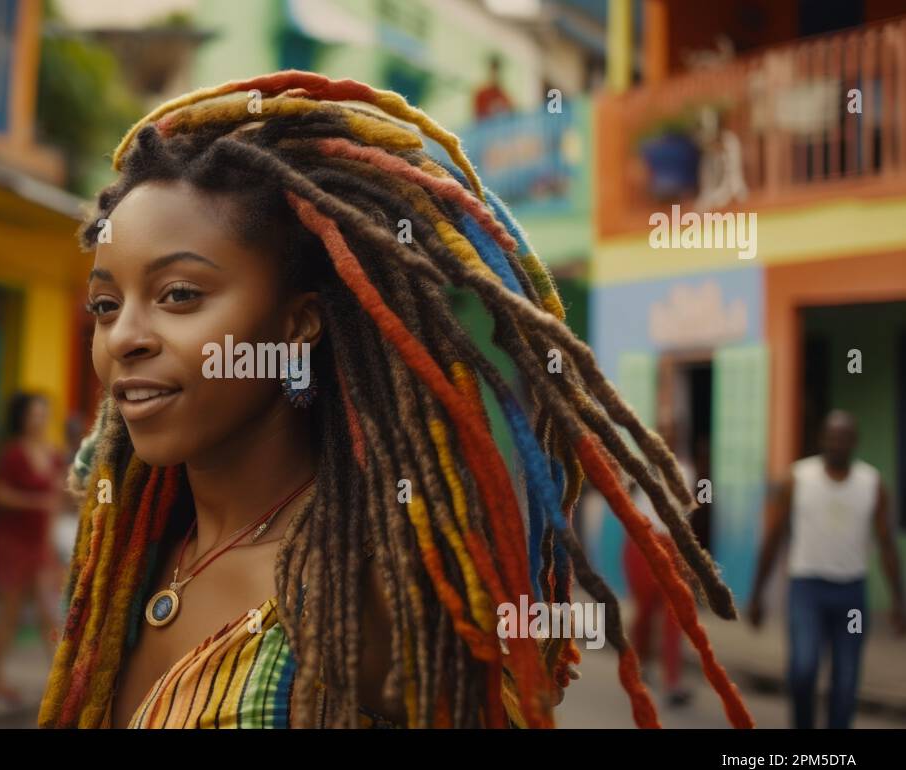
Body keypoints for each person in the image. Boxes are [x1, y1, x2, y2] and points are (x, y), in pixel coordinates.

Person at [38, 70, 751, 729]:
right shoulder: (125, 558)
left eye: (179, 296)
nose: (124, 337)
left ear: (297, 324)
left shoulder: (369, 594)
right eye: (105, 305)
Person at [747, 410, 906, 729]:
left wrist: (898, 600)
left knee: (846, 682)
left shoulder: (871, 484)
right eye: (832, 436)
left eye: (844, 437)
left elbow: (887, 543)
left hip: (851, 594)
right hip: (807, 590)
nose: (838, 443)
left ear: (854, 441)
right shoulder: (798, 478)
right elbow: (774, 536)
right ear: (822, 439)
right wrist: (757, 594)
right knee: (803, 669)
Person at [0, 392, 65, 705]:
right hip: (12, 543)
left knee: (50, 614)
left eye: (43, 414)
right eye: (34, 414)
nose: (39, 420)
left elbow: (57, 499)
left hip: (40, 545)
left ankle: (60, 683)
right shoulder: (13, 454)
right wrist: (35, 502)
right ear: (22, 418)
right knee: (10, 615)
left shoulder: (53, 453)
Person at [622, 414, 693, 707]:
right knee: (645, 613)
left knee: (675, 615)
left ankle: (672, 683)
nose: (665, 437)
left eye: (671, 432)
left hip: (672, 547)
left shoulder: (686, 470)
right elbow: (621, 497)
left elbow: (686, 514)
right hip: (641, 544)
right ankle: (641, 665)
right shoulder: (637, 467)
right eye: (661, 432)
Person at [473, 53, 514, 121]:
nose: (496, 75)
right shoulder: (482, 95)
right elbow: (477, 119)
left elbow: (512, 116)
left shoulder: (505, 97)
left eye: (497, 71)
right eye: (493, 71)